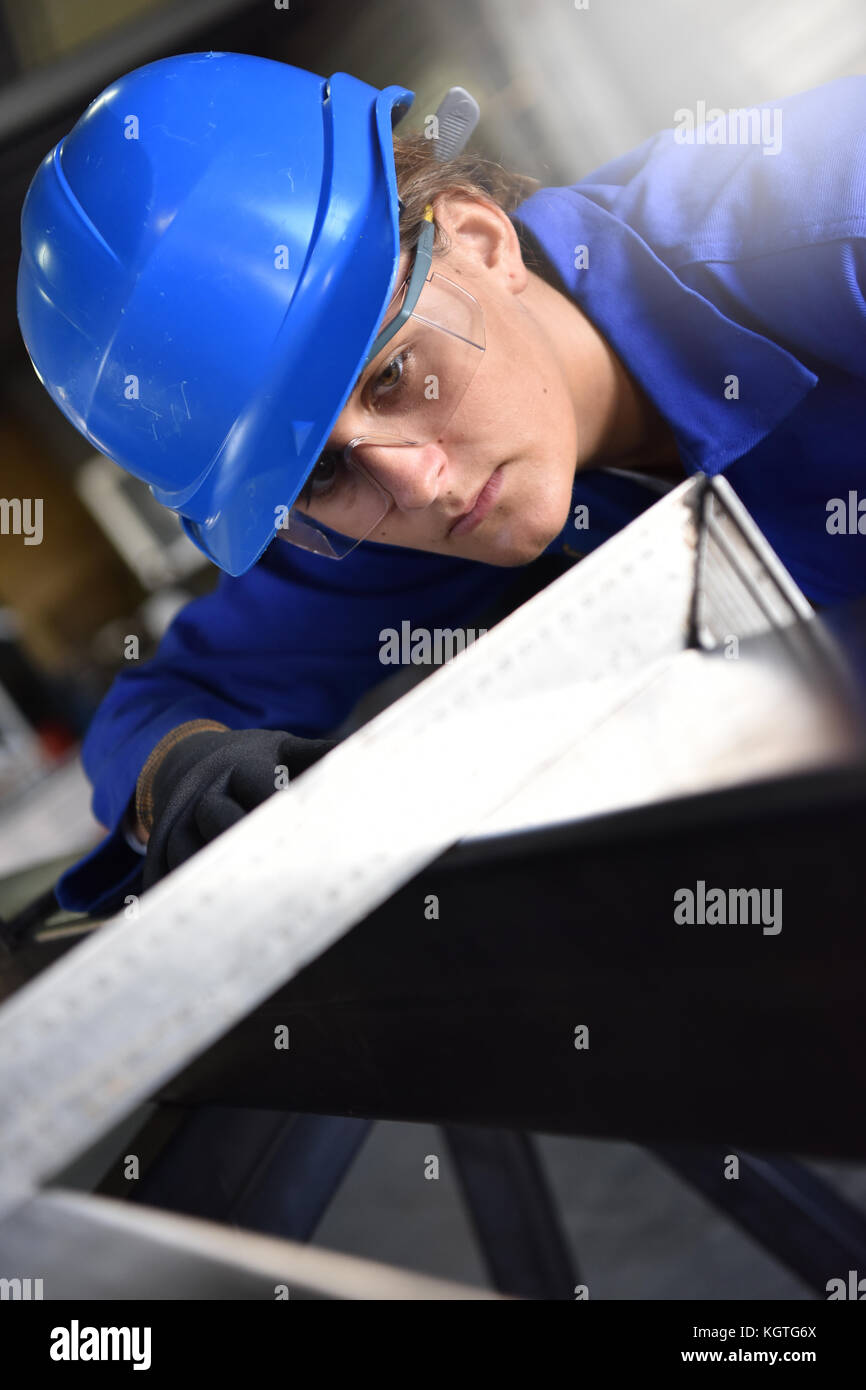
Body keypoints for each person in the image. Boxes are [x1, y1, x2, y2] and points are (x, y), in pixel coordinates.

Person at [17, 53, 866, 915]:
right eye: (319, 470)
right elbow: (166, 703)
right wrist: (188, 777)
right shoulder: (408, 500)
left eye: (392, 376)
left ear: (481, 241)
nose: (416, 483)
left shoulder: (838, 226)